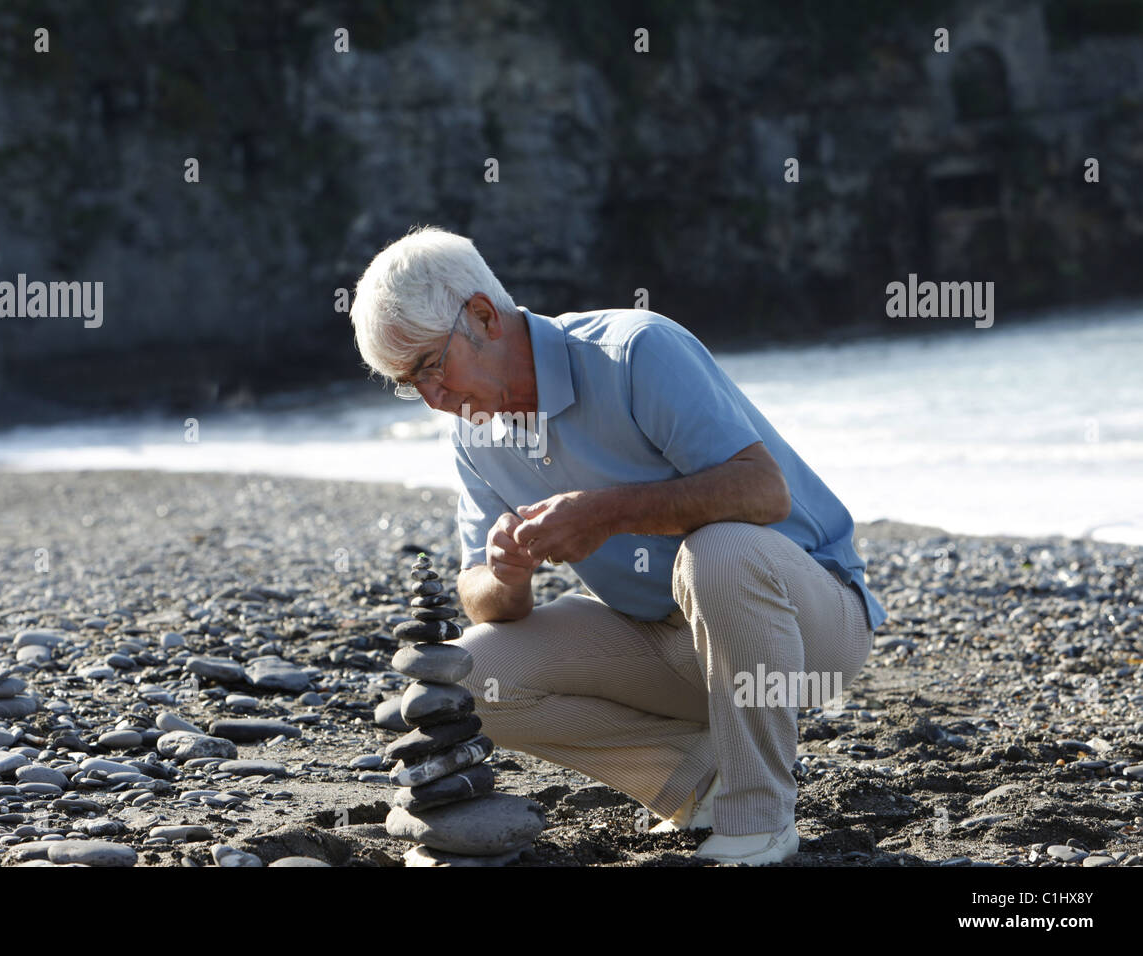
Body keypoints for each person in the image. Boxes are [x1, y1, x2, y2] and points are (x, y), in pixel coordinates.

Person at [350, 225, 887, 865]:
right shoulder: (474, 431)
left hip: (807, 628)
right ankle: (702, 779)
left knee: (719, 553)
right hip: (665, 645)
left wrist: (605, 514)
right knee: (471, 679)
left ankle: (758, 816)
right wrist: (507, 573)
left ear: (484, 317)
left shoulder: (635, 350)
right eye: (411, 384)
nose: (435, 401)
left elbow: (762, 493)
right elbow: (480, 595)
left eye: (432, 368)